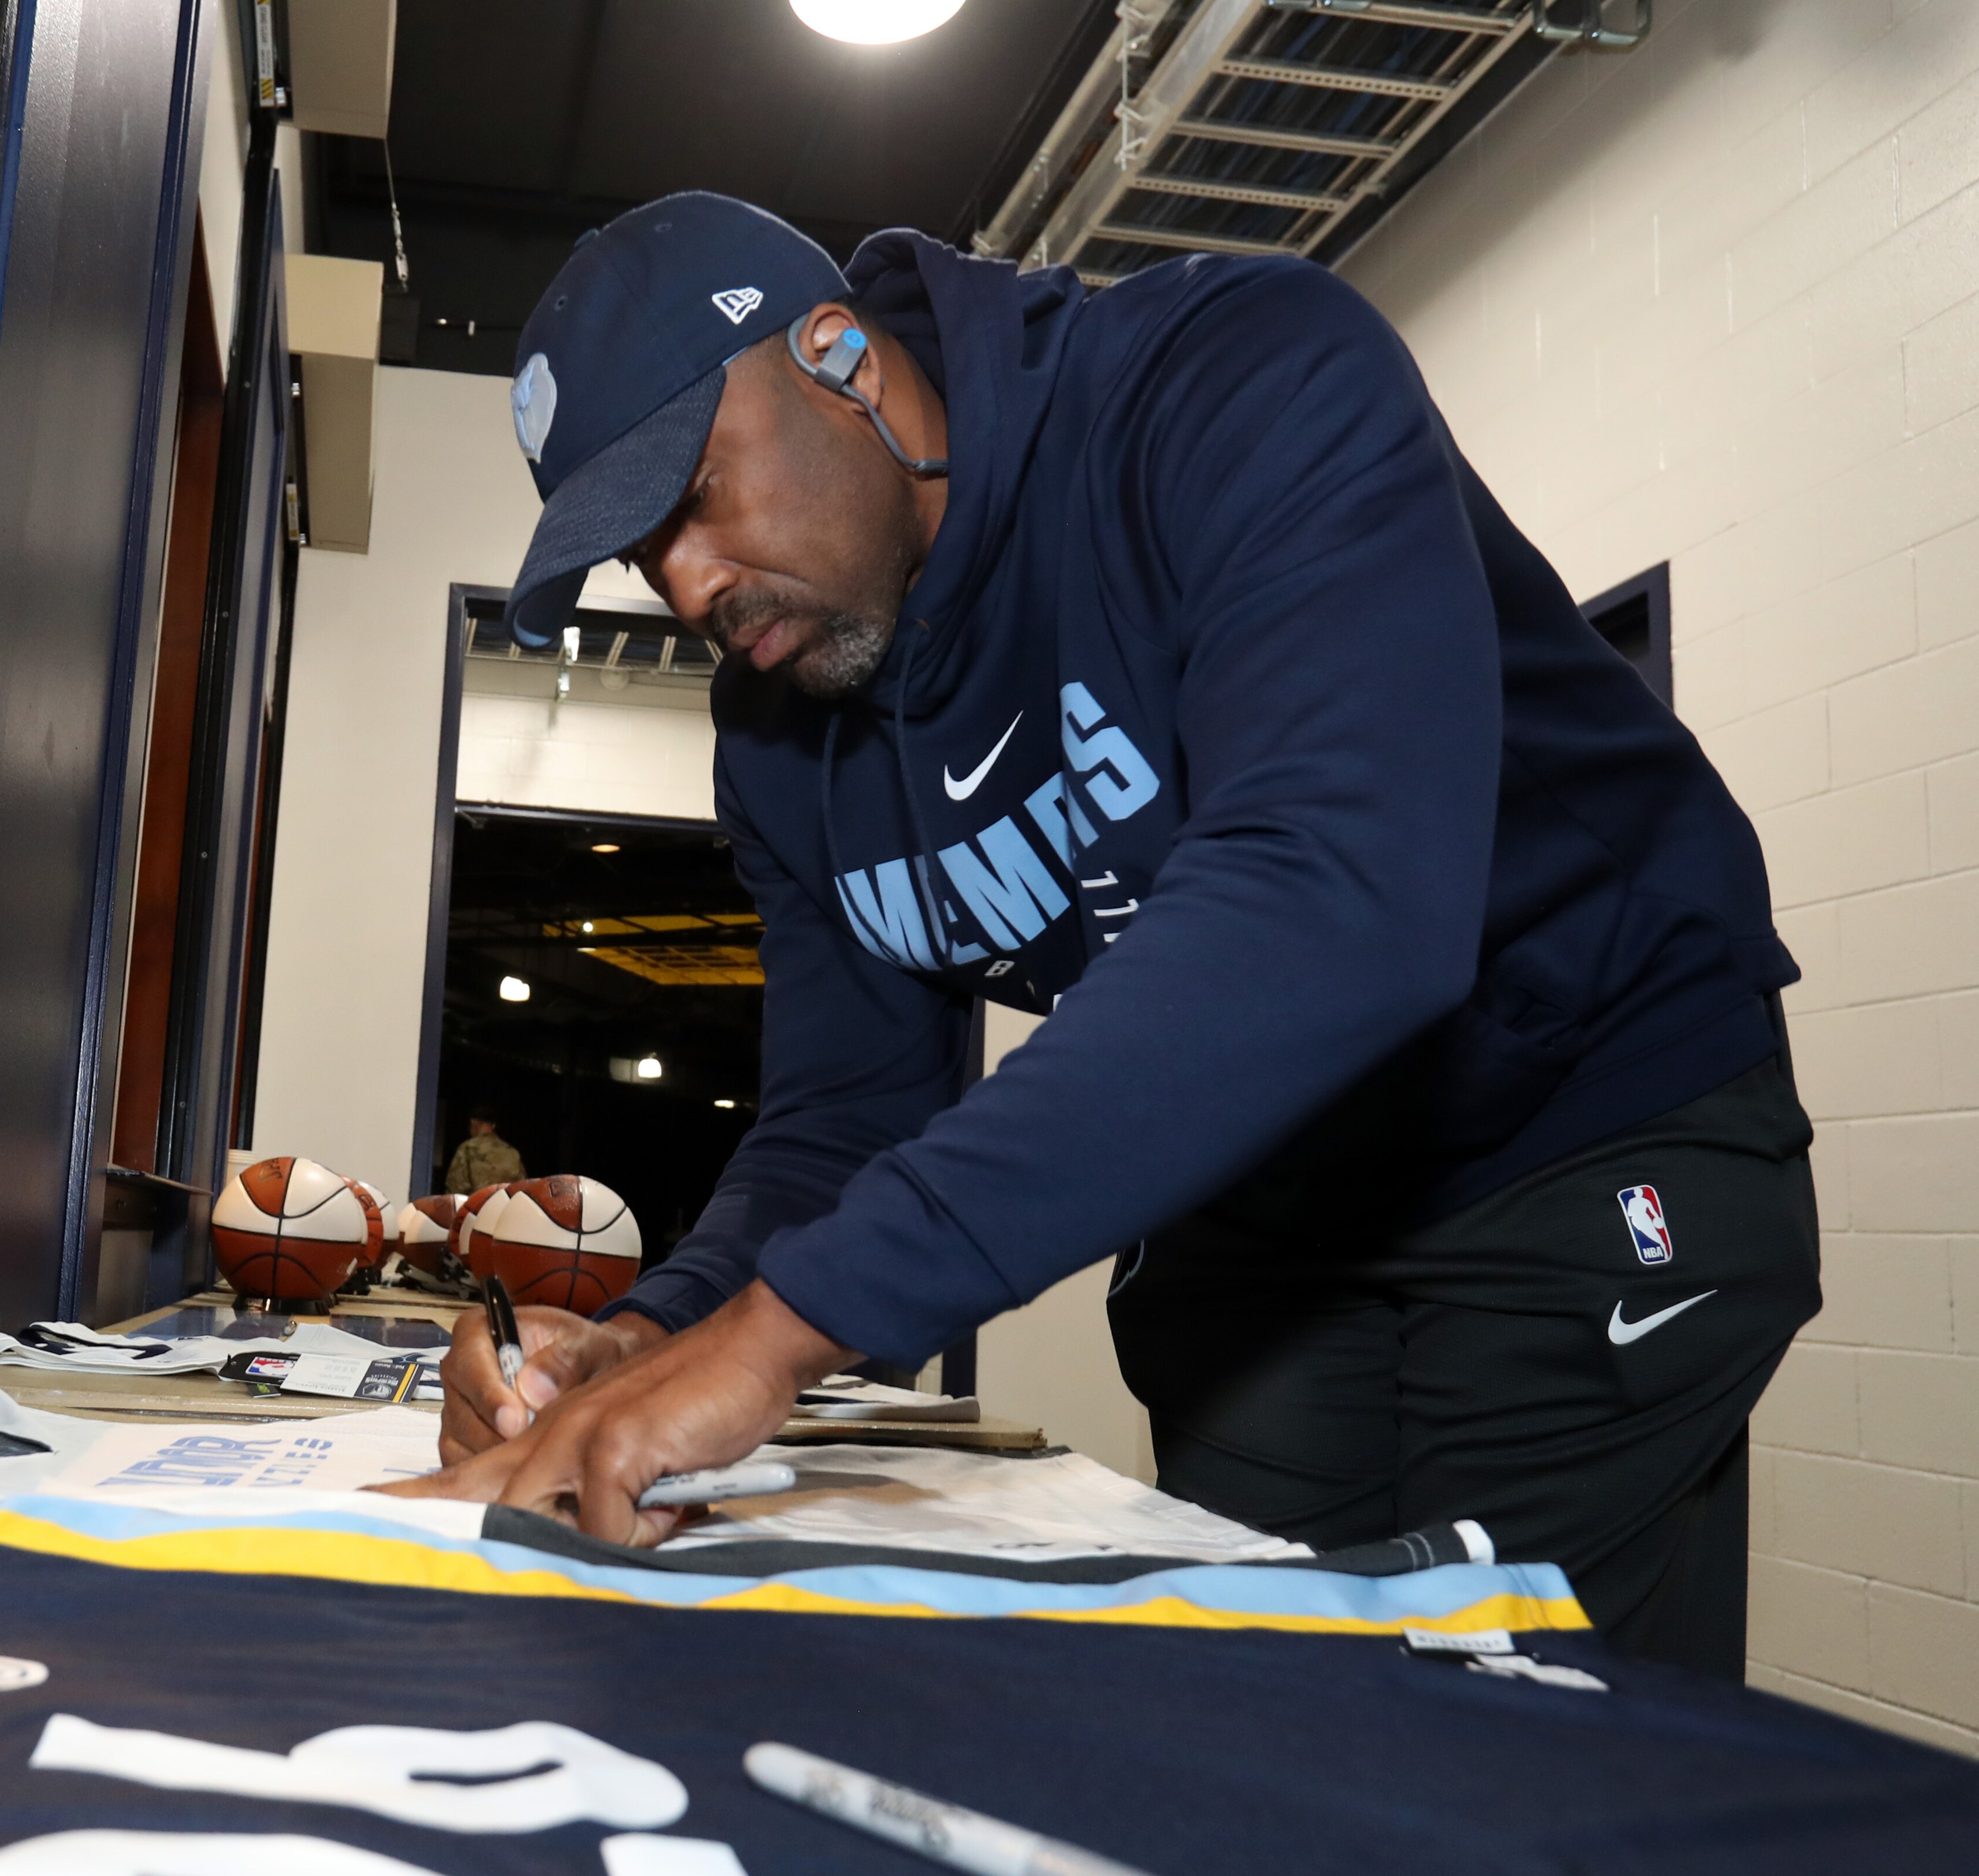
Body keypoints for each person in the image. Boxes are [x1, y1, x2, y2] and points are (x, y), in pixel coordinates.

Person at [390, 192, 1816, 1678]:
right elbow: (843, 1117)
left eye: (691, 496)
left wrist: (781, 1336)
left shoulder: (1232, 380)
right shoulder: (776, 727)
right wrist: (656, 1330)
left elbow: (1335, 897)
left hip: (1576, 1111)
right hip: (1259, 1200)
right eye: (640, 560)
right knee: (1253, 1719)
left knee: (1526, 1756)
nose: (685, 586)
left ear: (838, 359)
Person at [443, 1110, 525, 1195]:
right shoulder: (512, 1152)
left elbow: (456, 1185)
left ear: (473, 1124)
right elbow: (522, 1186)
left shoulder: (467, 1148)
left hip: (477, 1205)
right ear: (494, 1125)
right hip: (506, 1205)